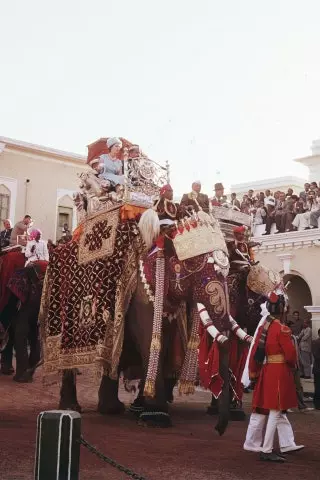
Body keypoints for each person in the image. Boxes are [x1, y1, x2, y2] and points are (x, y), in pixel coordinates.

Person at [246, 293, 303, 462]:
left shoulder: (265, 326)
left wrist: (253, 373)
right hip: (279, 373)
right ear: (282, 309)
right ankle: (267, 448)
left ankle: (283, 444)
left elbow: (256, 351)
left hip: (267, 370)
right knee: (276, 411)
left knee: (275, 411)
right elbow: (291, 356)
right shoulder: (283, 329)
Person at [312, 328, 320, 410]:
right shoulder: (315, 342)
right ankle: (317, 404)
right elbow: (316, 356)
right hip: (318, 368)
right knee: (318, 387)